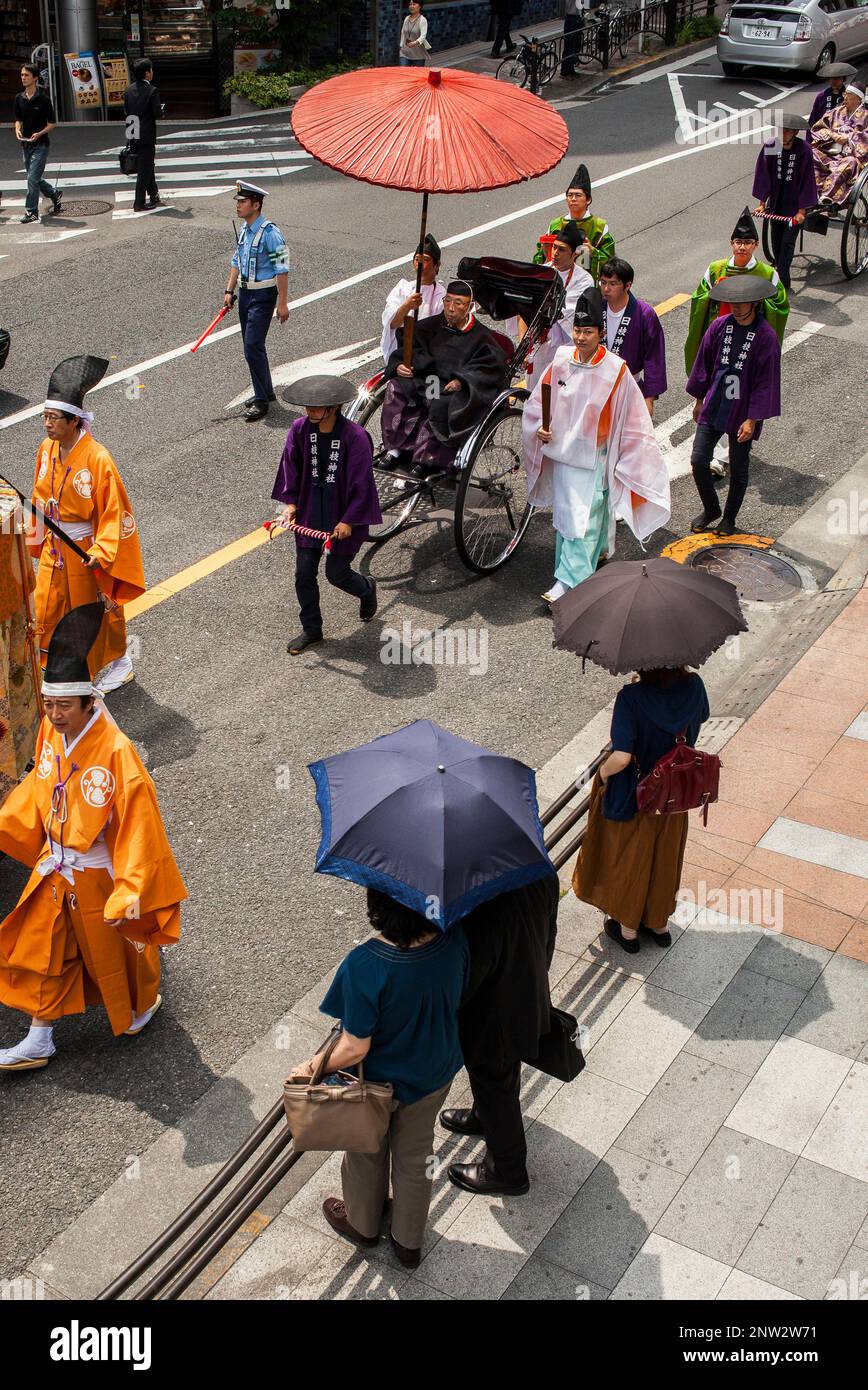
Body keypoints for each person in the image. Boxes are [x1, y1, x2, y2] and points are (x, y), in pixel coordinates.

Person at [0, 603, 187, 1071]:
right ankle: (39, 1037)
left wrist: (131, 887)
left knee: (120, 957)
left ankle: (141, 1005)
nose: (55, 714)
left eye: (65, 705)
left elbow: (139, 823)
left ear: (91, 703)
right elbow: (40, 788)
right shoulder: (51, 729)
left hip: (99, 871)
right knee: (42, 948)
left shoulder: (118, 753)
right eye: (49, 704)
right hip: (57, 865)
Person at [294, 888, 467, 1267]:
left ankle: (363, 1225)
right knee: (416, 1156)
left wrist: (315, 1065)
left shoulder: (366, 964)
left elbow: (355, 1046)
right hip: (435, 1071)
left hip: (377, 1086)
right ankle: (407, 1243)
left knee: (366, 1152)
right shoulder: (454, 938)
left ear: (378, 908)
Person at [522, 287, 670, 605]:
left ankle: (569, 580)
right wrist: (541, 428)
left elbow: (633, 416)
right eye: (577, 330)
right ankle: (597, 552)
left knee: (582, 516)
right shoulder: (562, 359)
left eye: (587, 332)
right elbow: (538, 401)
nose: (580, 337)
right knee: (568, 515)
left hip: (595, 453)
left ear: (600, 334)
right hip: (563, 450)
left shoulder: (615, 369)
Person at [572, 667, 709, 954]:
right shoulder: (695, 685)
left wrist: (604, 774)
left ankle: (628, 929)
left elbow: (621, 757)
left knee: (629, 856)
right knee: (665, 856)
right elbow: (701, 717)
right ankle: (659, 925)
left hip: (636, 793)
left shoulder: (631, 698)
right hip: (674, 792)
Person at [30, 355, 145, 694]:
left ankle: (119, 664)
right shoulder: (46, 449)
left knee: (91, 613)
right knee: (47, 605)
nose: (47, 424)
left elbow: (114, 511)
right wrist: (32, 537)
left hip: (84, 549)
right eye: (45, 417)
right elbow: (39, 500)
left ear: (74, 421)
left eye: (53, 418)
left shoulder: (97, 458)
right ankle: (58, 669)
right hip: (54, 545)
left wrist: (103, 549)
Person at [440, 875, 559, 1196]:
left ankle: (507, 1170)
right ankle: (482, 1115)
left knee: (495, 1081)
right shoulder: (540, 873)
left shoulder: (482, 904)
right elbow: (550, 933)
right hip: (528, 993)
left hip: (493, 1015)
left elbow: (470, 975)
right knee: (500, 1075)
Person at [272, 374, 382, 656]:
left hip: (343, 515)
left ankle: (366, 589)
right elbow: (291, 468)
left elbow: (362, 483)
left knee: (337, 574)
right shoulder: (299, 430)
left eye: (316, 407)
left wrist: (348, 520)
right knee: (303, 574)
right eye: (307, 407)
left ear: (333, 408)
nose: (309, 412)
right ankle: (312, 629)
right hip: (310, 511)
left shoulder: (355, 438)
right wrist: (291, 504)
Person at [380, 279, 508, 477]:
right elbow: (410, 343)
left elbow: (490, 366)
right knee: (397, 386)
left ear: (470, 307)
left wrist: (463, 380)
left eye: (458, 303)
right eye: (447, 301)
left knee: (439, 403)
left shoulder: (481, 337)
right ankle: (395, 448)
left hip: (452, 387)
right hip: (428, 378)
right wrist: (400, 365)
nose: (450, 308)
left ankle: (425, 459)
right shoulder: (432, 325)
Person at [686, 275, 781, 537]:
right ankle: (711, 508)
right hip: (715, 403)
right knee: (698, 459)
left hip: (742, 411)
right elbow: (704, 365)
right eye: (733, 303)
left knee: (739, 467)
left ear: (755, 303)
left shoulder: (765, 336)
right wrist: (698, 399)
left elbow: (765, 382)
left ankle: (729, 518)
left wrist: (753, 419)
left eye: (743, 303)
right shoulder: (718, 327)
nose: (737, 307)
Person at [684, 208, 789, 375]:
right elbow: (699, 301)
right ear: (731, 243)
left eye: (748, 243)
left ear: (756, 245)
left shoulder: (768, 274)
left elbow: (780, 305)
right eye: (738, 242)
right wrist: (716, 294)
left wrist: (758, 299)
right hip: (721, 332)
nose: (742, 247)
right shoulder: (716, 269)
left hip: (751, 335)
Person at [223, 181, 289, 422]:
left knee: (252, 345)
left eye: (242, 202)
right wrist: (229, 291)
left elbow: (282, 268)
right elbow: (236, 261)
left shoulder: (272, 234)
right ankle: (266, 391)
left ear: (256, 204)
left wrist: (282, 303)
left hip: (263, 295)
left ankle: (261, 400)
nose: (238, 206)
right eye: (238, 202)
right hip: (246, 293)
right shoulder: (244, 230)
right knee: (251, 346)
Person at [752, 112, 818, 293]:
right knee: (776, 240)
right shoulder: (772, 145)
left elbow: (807, 180)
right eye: (781, 130)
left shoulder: (803, 150)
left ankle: (783, 282)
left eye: (788, 131)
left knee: (787, 243)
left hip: (794, 204)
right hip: (777, 202)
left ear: (795, 132)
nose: (784, 134)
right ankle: (780, 276)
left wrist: (802, 210)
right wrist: (762, 202)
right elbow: (764, 174)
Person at [525, 221, 593, 390]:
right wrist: (525, 344)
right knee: (533, 398)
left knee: (560, 399)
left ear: (575, 254)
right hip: (537, 345)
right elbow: (523, 309)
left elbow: (567, 313)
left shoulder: (583, 280)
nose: (554, 253)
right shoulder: (540, 272)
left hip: (563, 349)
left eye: (561, 249)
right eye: (554, 247)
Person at [599, 256, 667, 417]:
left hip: (629, 386)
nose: (606, 289)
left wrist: (648, 399)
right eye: (603, 282)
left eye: (613, 284)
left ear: (628, 285)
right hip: (597, 384)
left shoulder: (644, 314)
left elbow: (653, 358)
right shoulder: (596, 306)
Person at [533, 163, 615, 284]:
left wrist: (593, 252)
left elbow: (610, 260)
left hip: (585, 281)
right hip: (557, 279)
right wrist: (545, 251)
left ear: (588, 200)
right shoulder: (555, 224)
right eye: (570, 195)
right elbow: (539, 258)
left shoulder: (599, 226)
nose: (573, 199)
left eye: (578, 195)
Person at [380, 232, 445, 364]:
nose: (420, 264)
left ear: (437, 265)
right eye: (417, 259)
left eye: (426, 260)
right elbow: (391, 324)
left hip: (428, 353)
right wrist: (407, 306)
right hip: (401, 350)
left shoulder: (442, 295)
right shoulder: (402, 289)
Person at [13, 63, 62, 225]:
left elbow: (52, 123)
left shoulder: (44, 100)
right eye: (21, 75)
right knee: (34, 178)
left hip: (40, 145)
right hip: (25, 145)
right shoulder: (18, 98)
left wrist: (39, 133)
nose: (23, 78)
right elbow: (18, 119)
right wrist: (17, 130)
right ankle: (54, 194)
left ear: (35, 78)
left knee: (32, 179)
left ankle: (31, 211)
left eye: (26, 75)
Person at [811, 80, 868, 209]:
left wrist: (849, 138)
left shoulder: (866, 116)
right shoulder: (836, 112)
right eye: (845, 94)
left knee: (850, 162)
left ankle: (827, 195)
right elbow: (817, 128)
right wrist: (832, 135)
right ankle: (812, 190)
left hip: (851, 155)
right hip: (830, 151)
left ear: (858, 99)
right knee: (811, 153)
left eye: (849, 95)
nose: (845, 97)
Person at [123, 57, 162, 213]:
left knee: (146, 165)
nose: (152, 72)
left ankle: (154, 194)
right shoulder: (152, 91)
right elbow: (157, 113)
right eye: (151, 70)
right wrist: (161, 109)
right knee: (144, 170)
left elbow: (127, 112)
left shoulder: (128, 90)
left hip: (133, 133)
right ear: (147, 73)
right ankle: (138, 203)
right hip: (146, 135)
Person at [807, 62, 857, 145]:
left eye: (837, 78)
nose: (834, 81)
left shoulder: (849, 97)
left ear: (843, 79)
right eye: (832, 78)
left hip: (842, 136)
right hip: (823, 134)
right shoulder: (822, 96)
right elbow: (813, 119)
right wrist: (808, 141)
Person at [560, 0, 587, 78]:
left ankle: (571, 69)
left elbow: (583, 4)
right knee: (569, 46)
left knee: (575, 45)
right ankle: (565, 71)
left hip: (577, 18)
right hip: (571, 19)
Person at [399, 0, 429, 65]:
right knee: (404, 73)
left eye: (414, 4)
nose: (411, 6)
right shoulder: (406, 18)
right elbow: (403, 33)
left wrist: (415, 43)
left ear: (419, 6)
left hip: (418, 54)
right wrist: (401, 46)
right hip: (405, 53)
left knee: (417, 74)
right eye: (410, 4)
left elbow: (423, 36)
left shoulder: (422, 20)